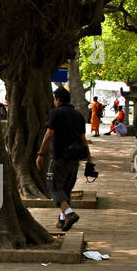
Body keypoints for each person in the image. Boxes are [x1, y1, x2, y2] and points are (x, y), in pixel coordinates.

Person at [36, 86, 87, 231]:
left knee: (53, 186)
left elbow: (49, 134)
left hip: (59, 157)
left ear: (57, 99)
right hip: (75, 159)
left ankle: (69, 214)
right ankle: (62, 220)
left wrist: (40, 154)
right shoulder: (78, 116)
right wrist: (89, 159)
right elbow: (83, 139)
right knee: (65, 189)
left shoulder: (55, 113)